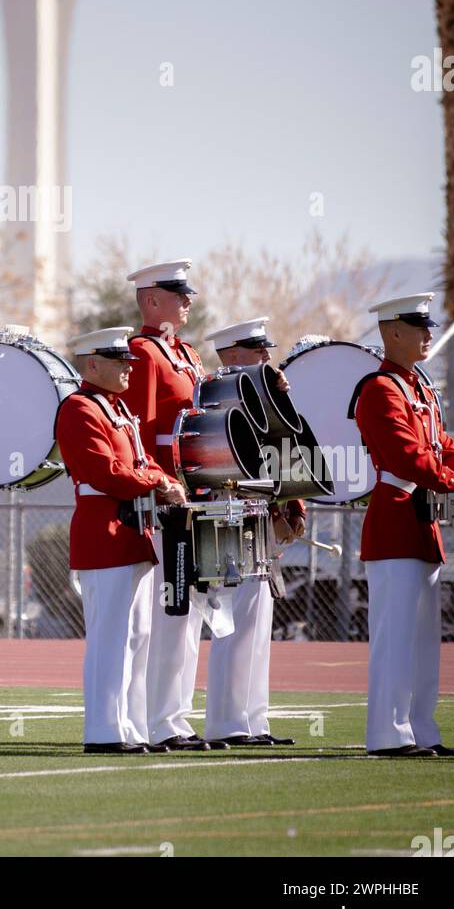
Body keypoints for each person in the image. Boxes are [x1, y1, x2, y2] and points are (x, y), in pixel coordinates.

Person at [56, 327, 184, 754]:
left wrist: (162, 481)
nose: (128, 369)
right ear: (91, 364)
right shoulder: (79, 408)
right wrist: (158, 484)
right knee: (111, 638)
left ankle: (131, 728)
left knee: (137, 637)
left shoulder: (115, 409)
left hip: (132, 531)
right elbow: (105, 471)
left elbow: (142, 462)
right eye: (118, 362)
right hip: (104, 531)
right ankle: (105, 730)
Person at [353, 293, 454, 757]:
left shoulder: (417, 387)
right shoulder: (380, 389)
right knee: (396, 638)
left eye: (429, 327)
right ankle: (388, 733)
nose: (428, 335)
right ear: (392, 332)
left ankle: (421, 730)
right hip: (396, 519)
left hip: (422, 523)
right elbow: (407, 455)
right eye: (418, 327)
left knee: (423, 642)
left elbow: (440, 444)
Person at [122, 261, 212, 750]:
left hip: (192, 492)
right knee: (166, 612)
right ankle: (154, 722)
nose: (188, 300)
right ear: (151, 299)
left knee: (187, 613)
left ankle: (175, 718)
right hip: (165, 497)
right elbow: (139, 430)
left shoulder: (186, 355)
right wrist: (160, 486)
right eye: (179, 293)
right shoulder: (143, 353)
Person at [201, 317, 303, 747]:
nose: (266, 356)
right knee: (235, 622)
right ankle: (227, 721)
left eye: (266, 349)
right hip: (228, 513)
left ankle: (253, 720)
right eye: (256, 350)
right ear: (231, 355)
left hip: (258, 514)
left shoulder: (265, 398)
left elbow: (281, 453)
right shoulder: (213, 393)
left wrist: (292, 506)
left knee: (259, 626)